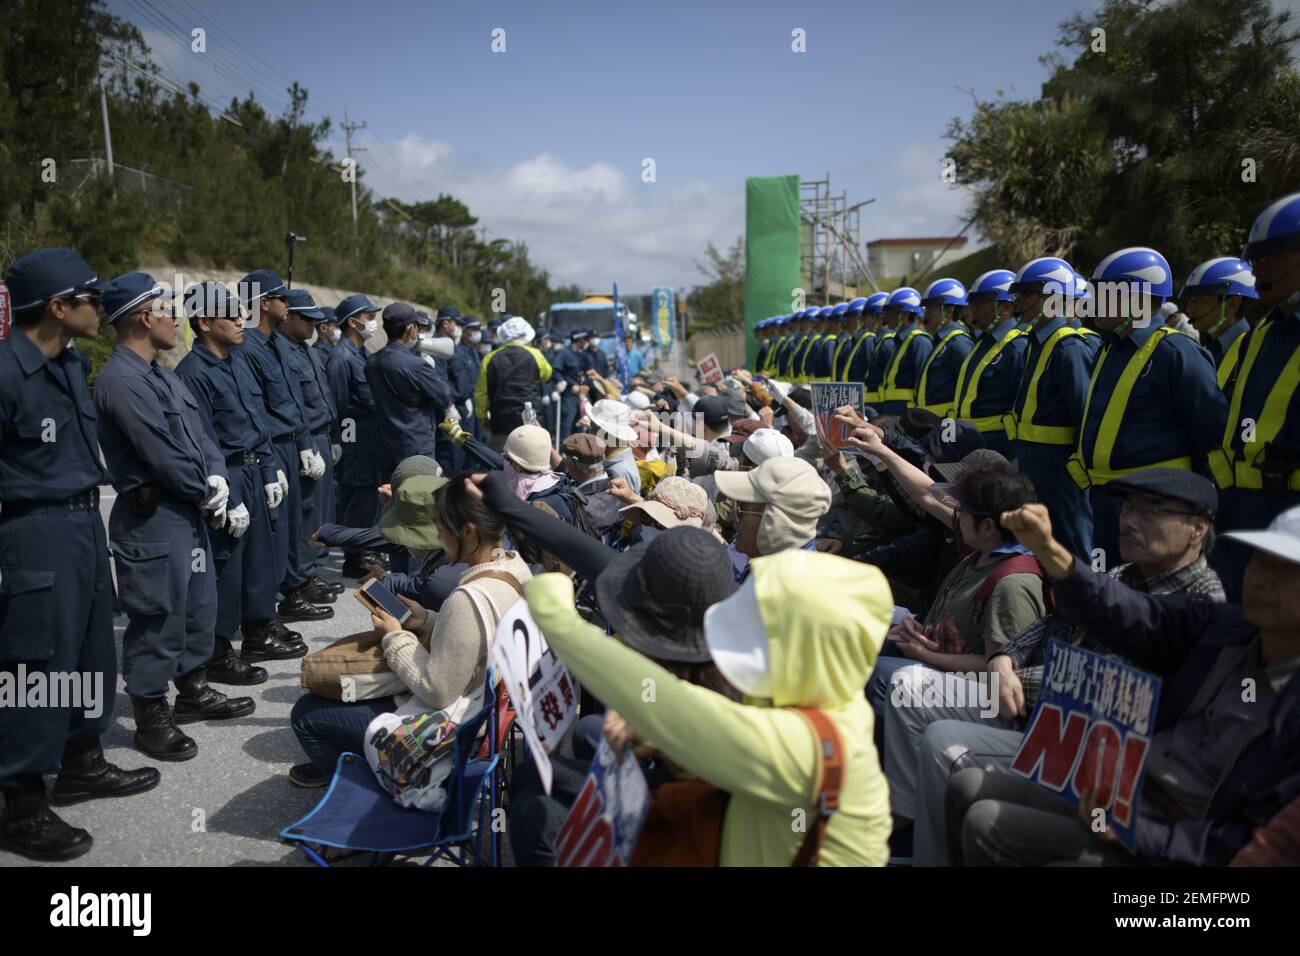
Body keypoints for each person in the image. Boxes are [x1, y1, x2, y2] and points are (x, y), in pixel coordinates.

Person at [946, 499, 1300, 867]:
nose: (1262, 577)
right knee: (966, 787)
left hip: (1170, 838)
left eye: (1285, 569)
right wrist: (1049, 550)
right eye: (1260, 560)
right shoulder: (1227, 630)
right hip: (1123, 793)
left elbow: (1248, 843)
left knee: (986, 823)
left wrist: (1138, 834)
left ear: (1198, 530)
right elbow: (1130, 613)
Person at [898, 468, 1224, 865]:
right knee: (903, 688)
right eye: (1128, 507)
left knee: (940, 738)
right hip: (1042, 717)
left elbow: (1105, 681)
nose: (1130, 520)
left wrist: (1010, 678)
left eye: (1151, 511)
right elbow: (1044, 629)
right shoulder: (1123, 574)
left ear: (1197, 529)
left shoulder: (1201, 603)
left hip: (1095, 753)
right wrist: (1003, 660)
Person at [525, 547, 893, 865]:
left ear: (807, 652)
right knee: (536, 791)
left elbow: (660, 699)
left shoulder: (805, 746)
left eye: (764, 631)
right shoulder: (830, 698)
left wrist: (558, 618)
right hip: (732, 838)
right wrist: (658, 739)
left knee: (538, 816)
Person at [0, 249, 158, 862]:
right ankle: (18, 798)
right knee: (36, 663)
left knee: (91, 647)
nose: (102, 307)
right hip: (31, 529)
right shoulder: (8, 371)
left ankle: (81, 759)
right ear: (58, 308)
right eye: (92, 298)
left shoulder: (66, 364)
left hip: (80, 521)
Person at [94, 272, 256, 762]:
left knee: (196, 608)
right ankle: (150, 714)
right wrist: (205, 489)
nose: (176, 321)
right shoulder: (121, 380)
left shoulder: (162, 374)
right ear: (145, 318)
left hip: (189, 511)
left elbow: (200, 435)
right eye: (167, 312)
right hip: (155, 516)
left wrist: (217, 477)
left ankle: (192, 689)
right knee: (158, 615)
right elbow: (158, 452)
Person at [288, 475, 530, 789]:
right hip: (487, 709)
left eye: (441, 531)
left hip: (452, 731)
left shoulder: (465, 598)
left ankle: (374, 791)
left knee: (307, 713)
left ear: (468, 532)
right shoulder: (514, 566)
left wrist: (394, 636)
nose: (438, 539)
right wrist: (424, 620)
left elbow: (436, 690)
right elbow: (476, 635)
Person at [1067, 247, 1228, 566]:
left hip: (1157, 509)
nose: (1092, 300)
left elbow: (1212, 435)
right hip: (1106, 503)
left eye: (1103, 292)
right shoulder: (1108, 350)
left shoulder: (1176, 352)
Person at [176, 282, 304, 671]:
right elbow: (204, 440)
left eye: (240, 312)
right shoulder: (192, 373)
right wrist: (229, 497)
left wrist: (269, 469)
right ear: (203, 322)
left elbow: (257, 420)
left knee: (259, 559)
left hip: (253, 467)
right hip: (228, 473)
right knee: (227, 570)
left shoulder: (236, 362)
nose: (239, 321)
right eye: (229, 315)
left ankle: (258, 631)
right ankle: (217, 648)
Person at [1210, 192, 1300, 603]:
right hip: (1241, 509)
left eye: (1273, 257)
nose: (1258, 269)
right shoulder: (1261, 333)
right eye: (1256, 259)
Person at [235, 269, 333, 622]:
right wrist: (268, 460)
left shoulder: (279, 344)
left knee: (294, 523)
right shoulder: (247, 348)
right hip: (272, 447)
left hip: (293, 444)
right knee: (273, 531)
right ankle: (272, 605)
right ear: (264, 303)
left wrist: (306, 442)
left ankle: (293, 589)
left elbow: (293, 402)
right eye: (281, 298)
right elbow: (255, 411)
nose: (287, 305)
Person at [1004, 256, 1099, 560]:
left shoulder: (1069, 349)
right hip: (1035, 467)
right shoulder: (1037, 341)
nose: (1018, 301)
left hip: (1061, 474)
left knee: (1071, 547)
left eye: (1027, 294)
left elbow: (1086, 417)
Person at [283, 289, 344, 601]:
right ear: (288, 316)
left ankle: (313, 571)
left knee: (321, 510)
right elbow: (291, 405)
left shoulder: (306, 351)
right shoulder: (283, 351)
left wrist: (333, 437)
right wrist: (307, 444)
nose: (313, 325)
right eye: (306, 319)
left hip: (322, 434)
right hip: (304, 439)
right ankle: (299, 577)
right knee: (306, 512)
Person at [327, 293, 384, 578]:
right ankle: (355, 556)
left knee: (370, 498)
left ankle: (366, 550)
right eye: (369, 317)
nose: (373, 322)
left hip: (371, 438)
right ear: (353, 322)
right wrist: (340, 440)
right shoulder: (341, 358)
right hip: (355, 439)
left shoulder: (363, 353)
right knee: (358, 499)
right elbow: (337, 405)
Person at [949, 269, 1028, 459]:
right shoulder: (981, 343)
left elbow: (1022, 408)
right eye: (972, 303)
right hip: (968, 444)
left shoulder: (1017, 346)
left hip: (998, 449)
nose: (971, 309)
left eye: (980, 304)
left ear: (1005, 308)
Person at [367, 302, 450, 478]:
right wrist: (429, 368)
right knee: (419, 500)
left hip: (386, 445)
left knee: (389, 499)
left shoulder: (372, 361)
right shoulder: (415, 365)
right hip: (416, 445)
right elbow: (443, 396)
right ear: (411, 329)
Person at [474, 316, 552, 453]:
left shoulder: (489, 358)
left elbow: (481, 392)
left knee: (501, 464)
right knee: (532, 460)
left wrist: (482, 416)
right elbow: (547, 374)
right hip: (531, 420)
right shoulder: (535, 354)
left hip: (500, 420)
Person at [1180, 256, 1257, 388]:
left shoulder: (1253, 354)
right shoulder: (1209, 349)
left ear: (1233, 305)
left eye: (1200, 300)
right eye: (1190, 300)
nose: (1189, 309)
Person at [912, 279, 973, 416]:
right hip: (933, 424)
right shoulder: (943, 341)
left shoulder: (958, 343)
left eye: (931, 308)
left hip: (947, 426)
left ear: (949, 311)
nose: (925, 314)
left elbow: (967, 389)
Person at [875, 288, 933, 416]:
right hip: (893, 412)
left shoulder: (919, 342)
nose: (886, 317)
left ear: (905, 315)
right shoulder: (900, 341)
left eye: (891, 312)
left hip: (907, 415)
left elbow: (923, 384)